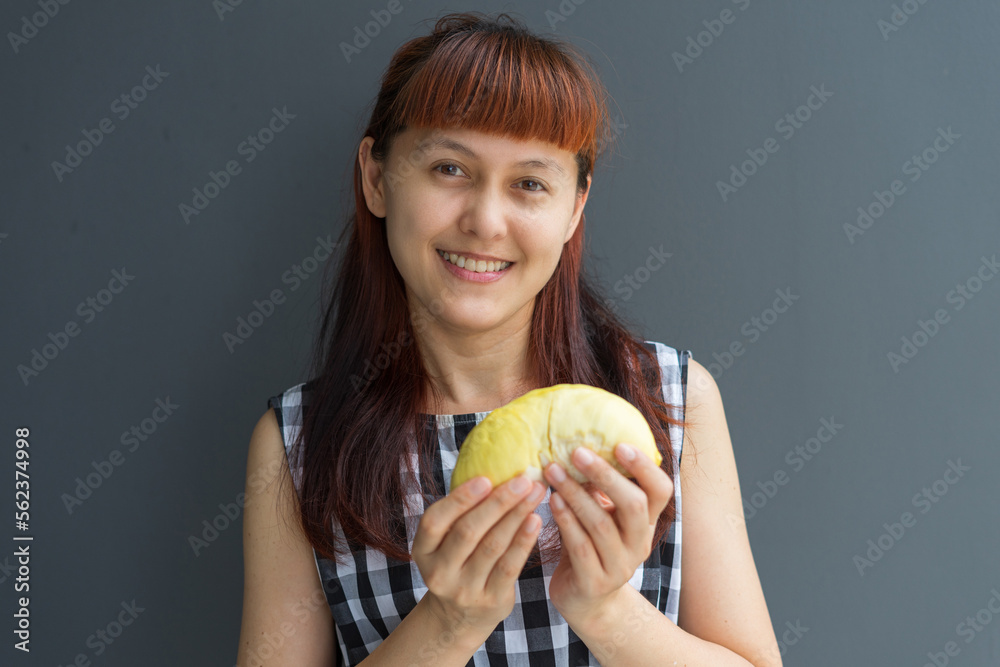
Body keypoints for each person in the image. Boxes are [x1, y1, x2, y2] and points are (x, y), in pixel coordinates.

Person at [237, 11, 780, 666]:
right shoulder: (301, 442)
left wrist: (606, 608)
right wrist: (447, 622)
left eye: (529, 183)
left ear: (575, 206)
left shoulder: (669, 399)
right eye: (449, 168)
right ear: (377, 178)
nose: (485, 221)